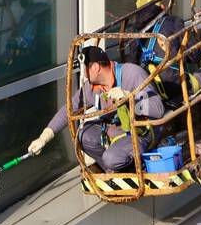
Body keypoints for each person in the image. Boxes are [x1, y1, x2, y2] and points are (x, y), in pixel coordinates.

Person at [27, 44, 162, 171]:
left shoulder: (132, 74)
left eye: (84, 68)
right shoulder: (92, 88)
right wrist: (44, 137)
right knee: (83, 135)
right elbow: (68, 109)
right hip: (113, 131)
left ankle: (128, 165)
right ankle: (115, 169)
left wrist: (130, 98)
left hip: (138, 132)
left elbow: (158, 109)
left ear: (95, 68)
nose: (83, 73)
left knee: (111, 158)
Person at [129, 0, 201, 103]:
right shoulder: (173, 22)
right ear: (161, 7)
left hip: (153, 96)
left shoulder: (133, 37)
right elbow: (196, 57)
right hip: (178, 89)